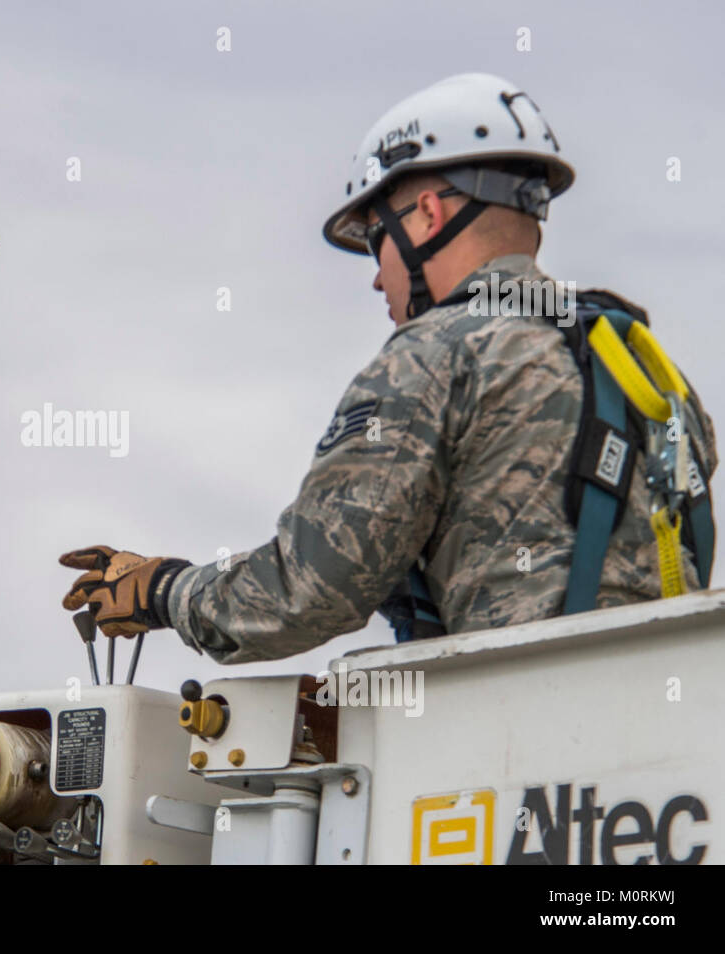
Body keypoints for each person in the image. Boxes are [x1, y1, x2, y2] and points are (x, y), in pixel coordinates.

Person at [58, 73, 716, 665]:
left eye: (378, 241)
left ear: (428, 213)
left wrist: (166, 589)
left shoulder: (437, 353)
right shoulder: (640, 362)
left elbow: (312, 585)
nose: (377, 277)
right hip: (669, 760)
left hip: (521, 746)